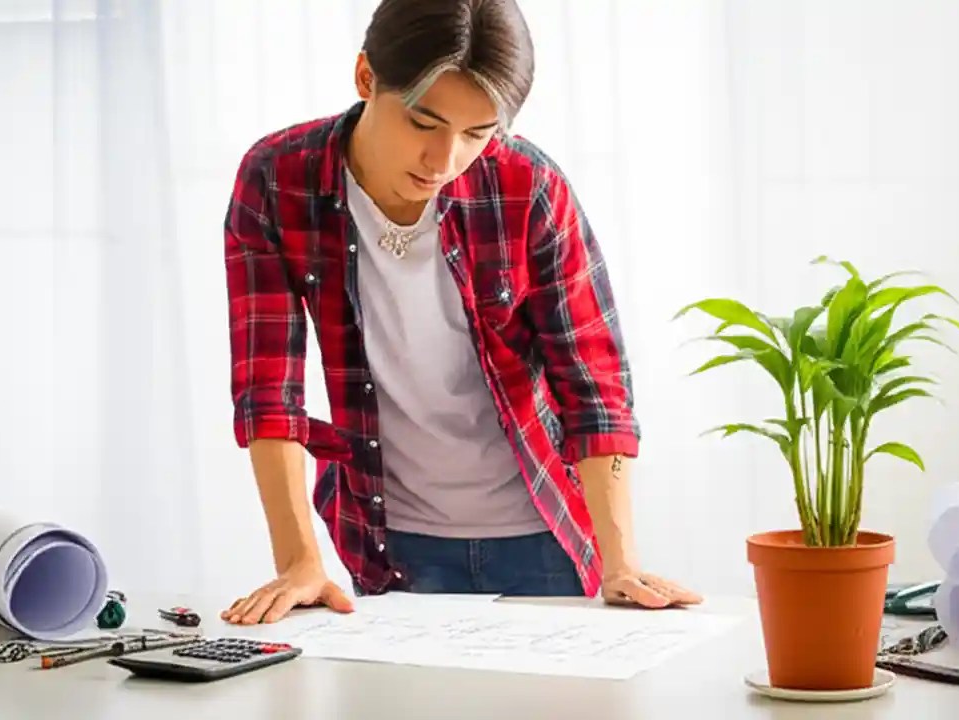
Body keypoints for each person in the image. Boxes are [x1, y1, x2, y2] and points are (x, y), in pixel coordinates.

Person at [220, 0, 702, 626]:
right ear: (367, 78)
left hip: (544, 533)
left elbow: (594, 386)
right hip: (391, 540)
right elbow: (267, 392)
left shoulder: (528, 185)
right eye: (425, 123)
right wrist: (298, 562)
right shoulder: (278, 179)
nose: (445, 160)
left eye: (478, 134)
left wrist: (621, 560)